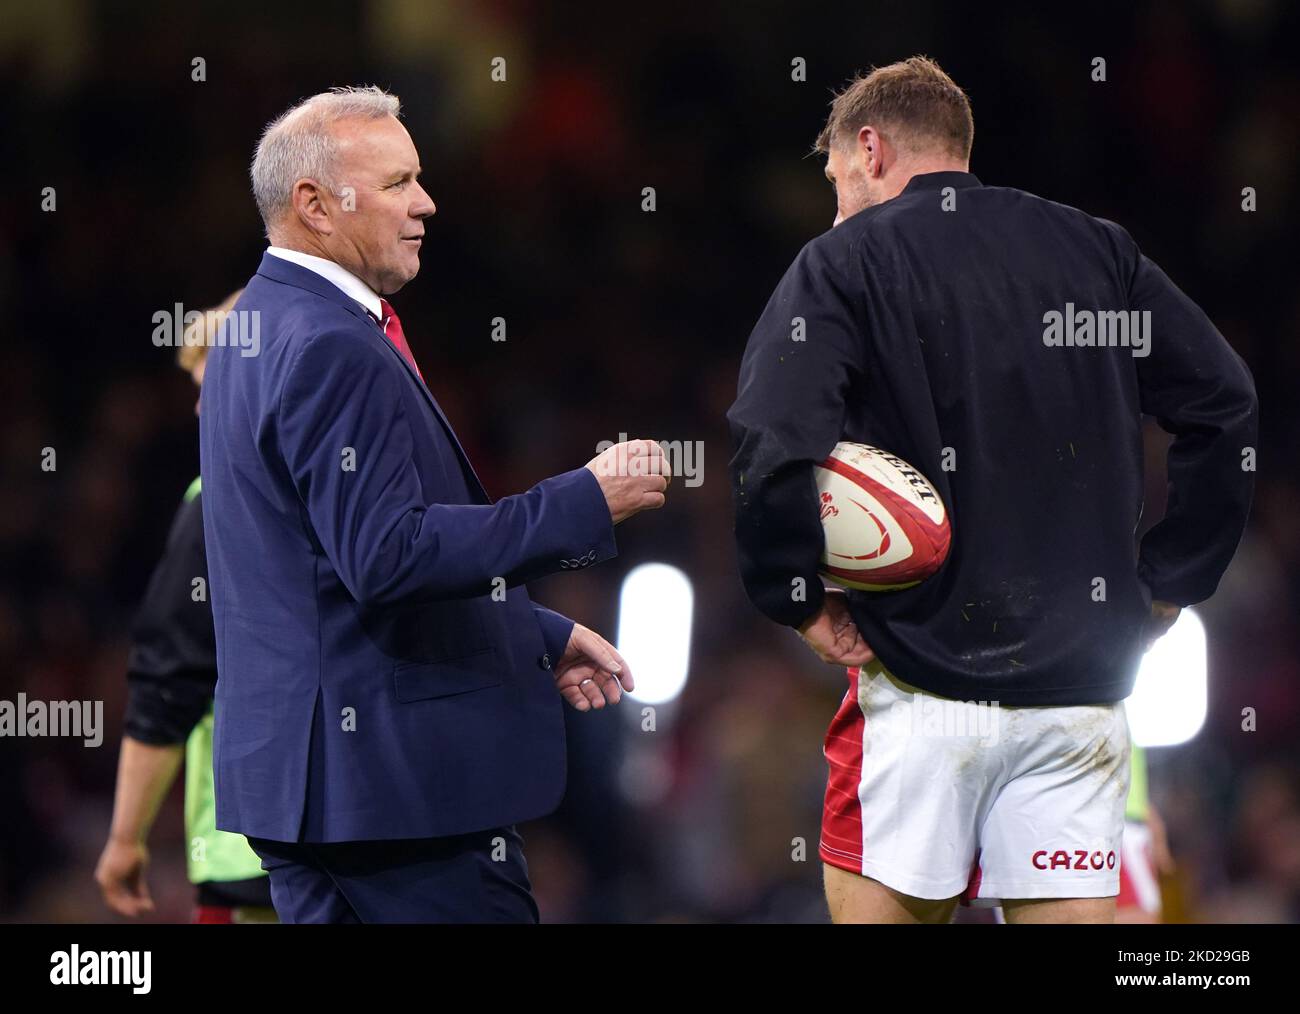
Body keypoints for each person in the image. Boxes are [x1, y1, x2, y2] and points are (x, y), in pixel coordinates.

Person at [727, 57, 1256, 924]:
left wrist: (794, 595)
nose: (834, 206)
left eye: (834, 180)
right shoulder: (1098, 250)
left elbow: (768, 437)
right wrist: (1172, 580)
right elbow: (1225, 405)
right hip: (1079, 702)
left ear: (870, 149)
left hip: (917, 694)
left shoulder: (842, 263)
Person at [200, 86, 670, 923]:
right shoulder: (331, 343)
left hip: (308, 793)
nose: (426, 203)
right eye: (397, 183)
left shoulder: (256, 325)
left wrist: (536, 632)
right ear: (314, 205)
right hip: (393, 798)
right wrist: (581, 502)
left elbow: (316, 567)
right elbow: (386, 556)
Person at [96, 291, 276, 923]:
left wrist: (123, 840)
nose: (200, 409)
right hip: (371, 844)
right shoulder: (357, 488)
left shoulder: (217, 500)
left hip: (251, 856)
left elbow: (168, 680)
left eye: (212, 385)